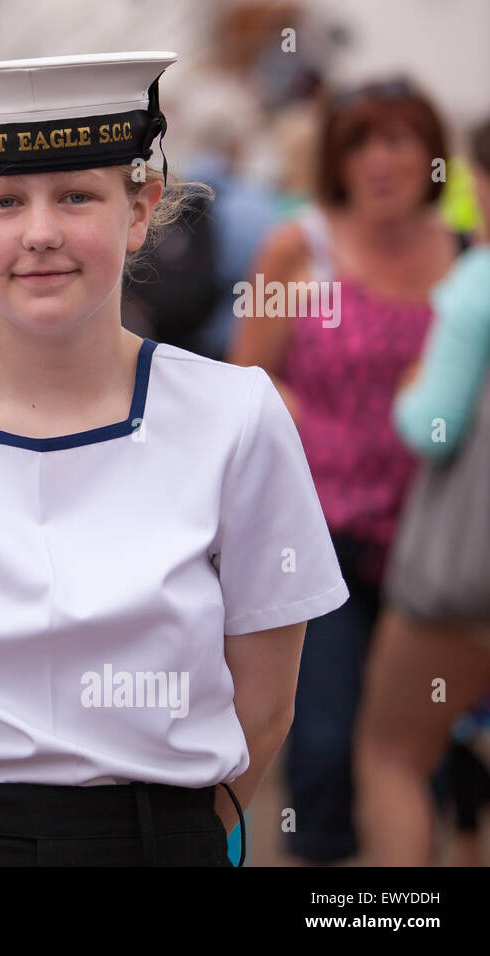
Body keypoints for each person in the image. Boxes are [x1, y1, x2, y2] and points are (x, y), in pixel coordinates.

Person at [0, 52, 348, 866]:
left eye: (77, 197)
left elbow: (266, 708)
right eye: (5, 202)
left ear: (141, 210)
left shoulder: (236, 415)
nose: (41, 233)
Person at [229, 77, 468, 865]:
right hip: (321, 526)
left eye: (399, 140)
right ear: (336, 158)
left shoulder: (463, 253)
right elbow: (248, 376)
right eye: (360, 142)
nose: (380, 160)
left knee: (423, 740)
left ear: (432, 156)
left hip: (432, 539)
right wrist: (287, 402)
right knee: (326, 743)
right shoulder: (300, 248)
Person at [354, 116, 490, 866]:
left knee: (393, 756)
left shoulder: (477, 284)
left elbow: (433, 429)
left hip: (462, 587)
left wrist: (411, 389)